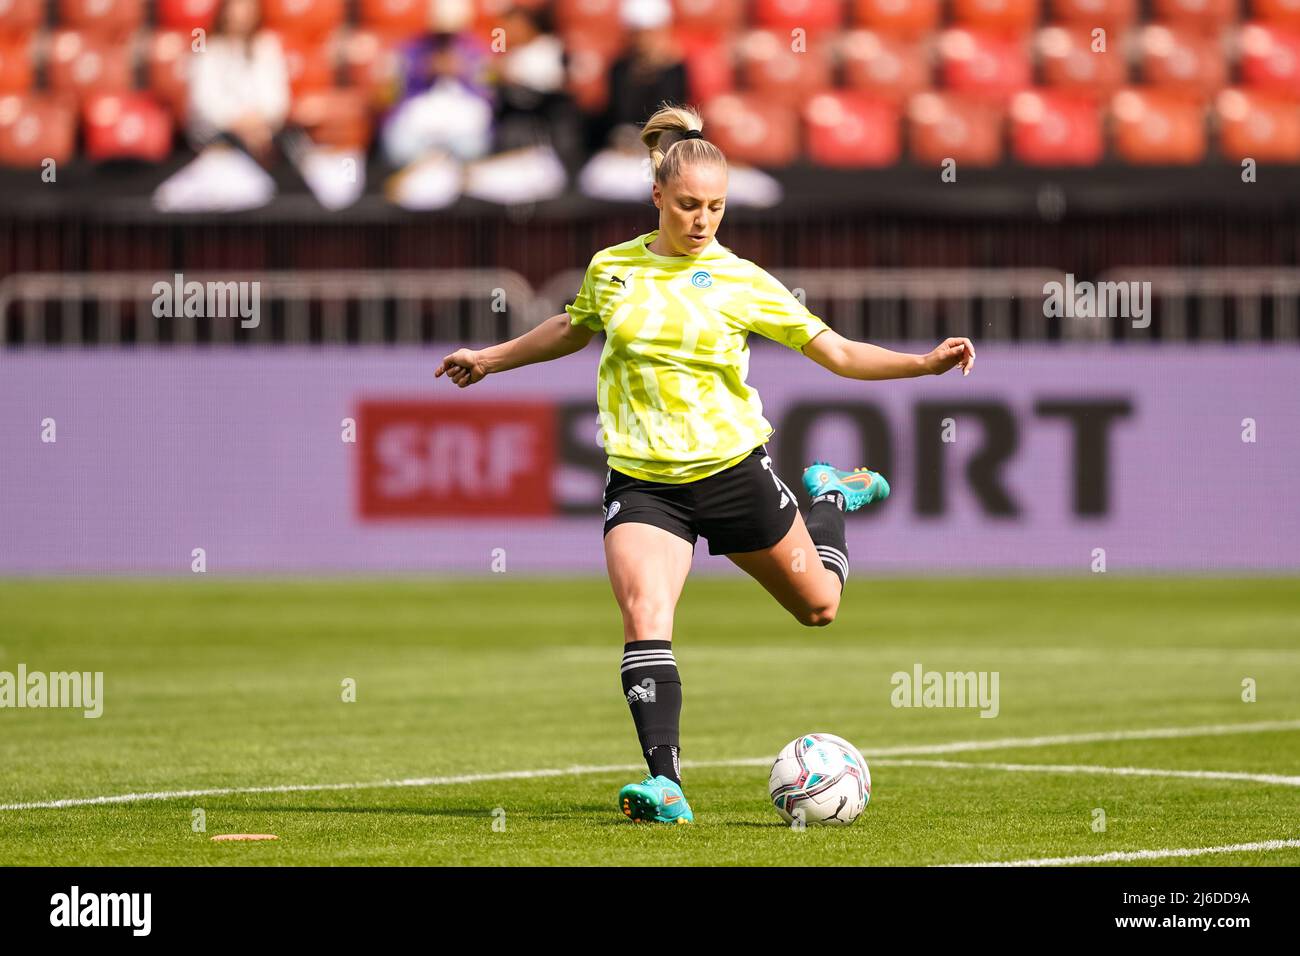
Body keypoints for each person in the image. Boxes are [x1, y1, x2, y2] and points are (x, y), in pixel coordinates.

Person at [433, 104, 976, 824]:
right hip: (644, 482)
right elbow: (572, 326)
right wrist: (489, 358)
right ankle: (667, 785)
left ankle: (830, 498)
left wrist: (922, 364)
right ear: (657, 195)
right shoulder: (613, 269)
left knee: (821, 608)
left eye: (716, 207)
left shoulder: (740, 280)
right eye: (688, 204)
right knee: (645, 617)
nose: (702, 220)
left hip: (731, 473)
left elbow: (837, 352)